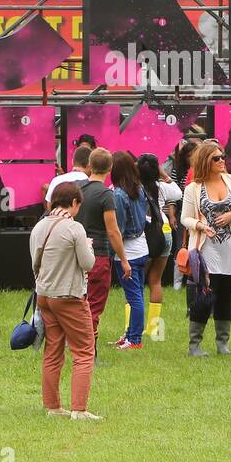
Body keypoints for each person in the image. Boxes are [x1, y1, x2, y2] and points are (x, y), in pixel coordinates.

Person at [32, 182, 101, 420]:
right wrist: (89, 247)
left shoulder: (39, 226)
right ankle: (79, 410)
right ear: (73, 203)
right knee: (83, 351)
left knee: (53, 350)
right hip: (69, 296)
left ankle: (53, 407)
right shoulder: (75, 229)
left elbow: (34, 263)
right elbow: (88, 263)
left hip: (44, 295)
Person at [181, 141, 231, 357]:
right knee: (204, 294)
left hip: (230, 246)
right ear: (205, 162)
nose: (222, 161)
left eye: (223, 157)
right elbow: (185, 218)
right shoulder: (193, 188)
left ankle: (222, 343)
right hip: (204, 247)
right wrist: (200, 225)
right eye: (216, 158)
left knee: (226, 294)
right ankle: (194, 345)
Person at [76, 148, 128, 358]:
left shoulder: (78, 188)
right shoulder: (106, 194)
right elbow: (113, 231)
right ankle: (90, 352)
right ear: (110, 168)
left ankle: (78, 346)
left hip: (76, 254)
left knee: (79, 302)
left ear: (89, 164)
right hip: (98, 254)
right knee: (94, 306)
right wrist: (124, 259)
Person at [108, 150, 149, 350]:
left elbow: (119, 229)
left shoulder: (118, 194)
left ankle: (134, 340)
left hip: (127, 252)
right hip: (141, 247)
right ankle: (131, 334)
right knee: (137, 294)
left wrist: (116, 253)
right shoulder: (138, 189)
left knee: (134, 297)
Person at [138, 153, 178, 340]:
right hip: (164, 233)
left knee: (136, 283)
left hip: (142, 236)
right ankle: (154, 329)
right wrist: (164, 175)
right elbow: (178, 193)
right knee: (156, 281)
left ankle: (133, 327)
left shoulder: (133, 189)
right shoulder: (162, 187)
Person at [45, 144, 91, 210]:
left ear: (72, 162)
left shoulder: (56, 180)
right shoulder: (90, 182)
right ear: (90, 164)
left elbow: (49, 206)